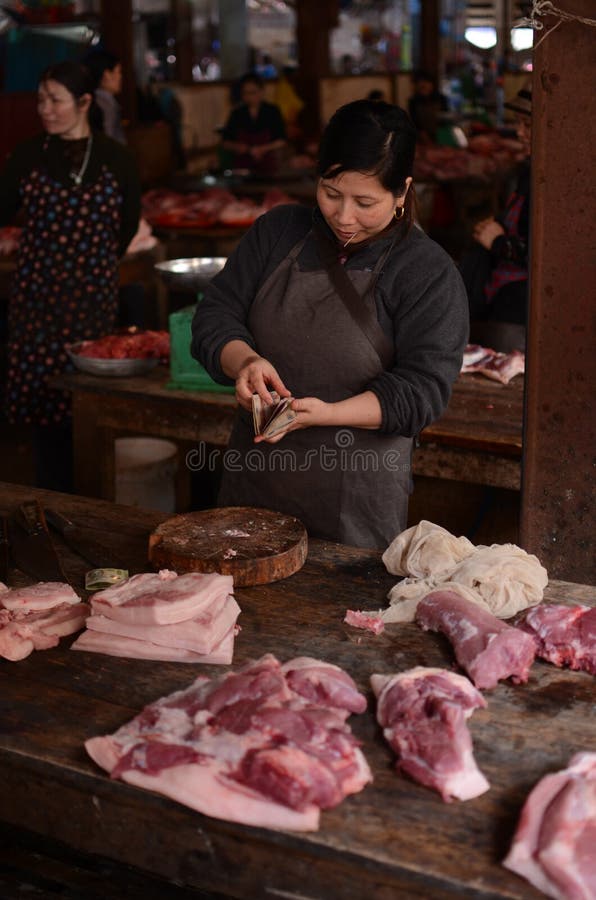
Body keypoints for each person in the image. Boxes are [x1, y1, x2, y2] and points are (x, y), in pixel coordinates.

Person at [191, 99, 468, 549]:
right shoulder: (277, 233)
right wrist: (244, 360)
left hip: (357, 503)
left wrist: (329, 415)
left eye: (365, 202)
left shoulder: (427, 272)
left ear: (402, 192)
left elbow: (423, 390)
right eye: (331, 193)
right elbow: (216, 314)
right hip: (255, 483)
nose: (343, 217)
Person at [0, 60, 141, 491]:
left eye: (54, 100)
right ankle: (48, 500)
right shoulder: (27, 155)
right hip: (36, 307)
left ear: (83, 102)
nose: (44, 108)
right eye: (40, 99)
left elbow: (127, 227)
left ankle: (90, 503)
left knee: (86, 407)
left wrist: (89, 266)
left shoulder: (117, 159)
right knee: (44, 415)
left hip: (90, 305)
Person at [459, 84, 532, 348]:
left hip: (521, 302)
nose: (519, 133)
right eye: (519, 124)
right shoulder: (529, 172)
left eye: (528, 125)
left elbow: (551, 255)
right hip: (503, 287)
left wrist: (500, 243)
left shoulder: (561, 184)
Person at [220, 72, 286, 175]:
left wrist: (262, 149)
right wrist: (242, 148)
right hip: (242, 167)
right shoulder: (237, 113)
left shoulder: (272, 111)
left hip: (268, 167)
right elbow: (225, 142)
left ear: (261, 92)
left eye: (253, 92)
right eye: (245, 93)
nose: (249, 97)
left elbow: (282, 140)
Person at [83, 49, 126, 143]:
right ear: (106, 75)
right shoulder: (106, 104)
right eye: (118, 71)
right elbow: (108, 138)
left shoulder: (94, 99)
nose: (121, 77)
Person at [408, 71, 449, 144]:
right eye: (420, 83)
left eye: (426, 82)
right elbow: (414, 121)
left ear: (432, 84)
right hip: (421, 138)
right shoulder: (413, 101)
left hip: (441, 136)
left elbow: (445, 117)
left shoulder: (441, 98)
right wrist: (422, 134)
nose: (423, 85)